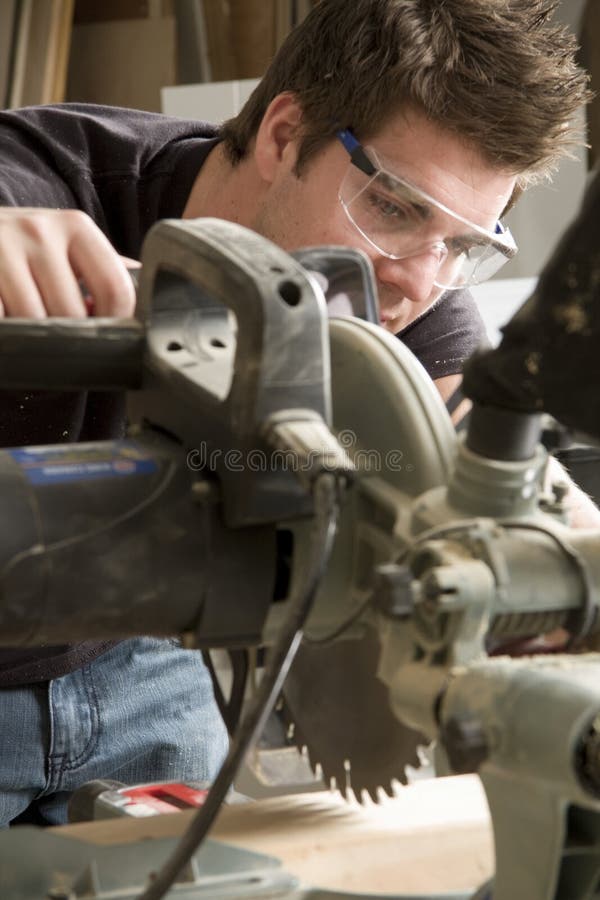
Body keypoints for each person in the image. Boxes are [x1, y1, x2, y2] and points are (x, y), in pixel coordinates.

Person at [0, 0, 594, 827]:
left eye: (462, 246)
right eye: (395, 206)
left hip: (139, 650)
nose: (420, 281)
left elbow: (492, 475)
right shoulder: (44, 177)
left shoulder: (408, 295)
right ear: (284, 136)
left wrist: (558, 568)